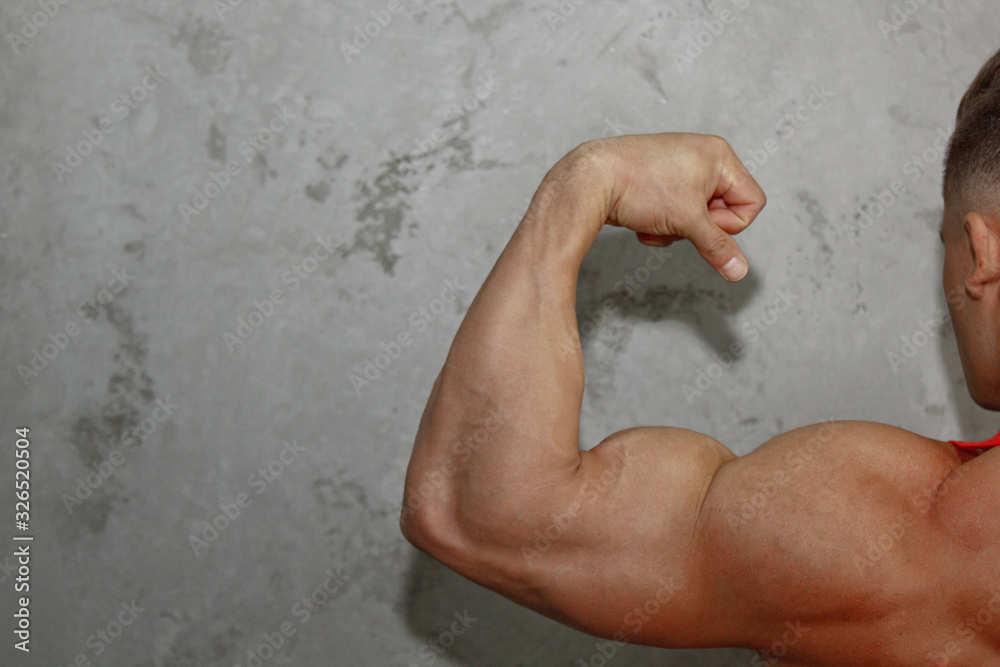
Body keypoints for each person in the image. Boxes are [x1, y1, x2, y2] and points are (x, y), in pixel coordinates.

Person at [400, 47, 1000, 667]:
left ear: (982, 253)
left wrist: (584, 182)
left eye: (945, 243)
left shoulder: (917, 529)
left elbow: (474, 511)